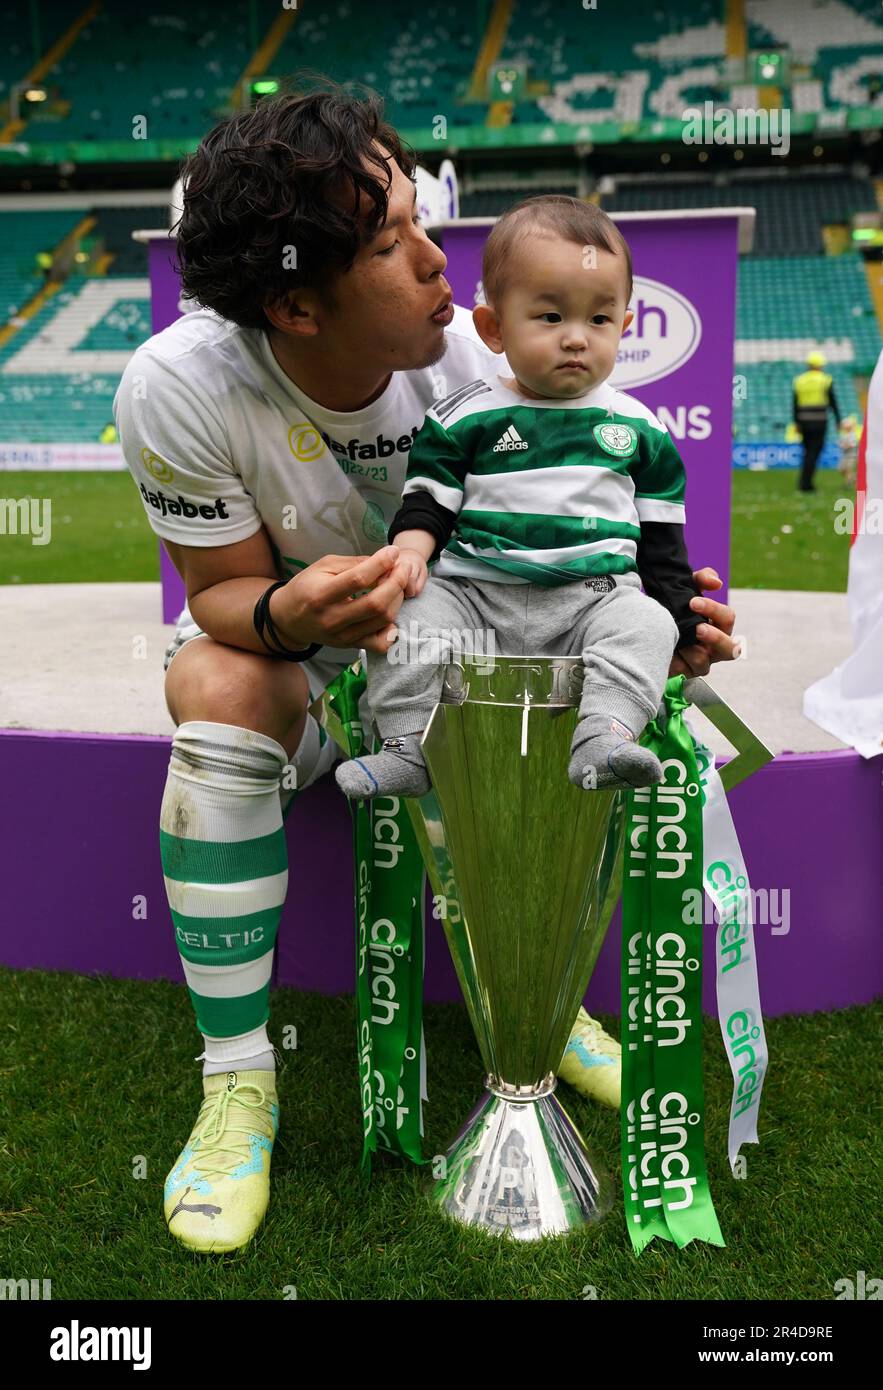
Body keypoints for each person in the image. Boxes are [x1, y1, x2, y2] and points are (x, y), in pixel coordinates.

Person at [113, 85, 739, 1256]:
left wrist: (668, 616)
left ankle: (534, 1000)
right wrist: (296, 613)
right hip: (324, 673)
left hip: (478, 667)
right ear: (297, 303)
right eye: (393, 242)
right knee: (216, 681)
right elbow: (217, 601)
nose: (438, 257)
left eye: (420, 214)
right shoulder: (177, 383)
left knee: (594, 656)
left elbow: (586, 548)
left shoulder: (480, 345)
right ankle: (240, 1080)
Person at [335, 199, 703, 803]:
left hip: (591, 601)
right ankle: (405, 747)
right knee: (410, 619)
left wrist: (683, 619)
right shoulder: (463, 414)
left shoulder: (641, 428)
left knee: (646, 622)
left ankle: (604, 738)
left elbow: (662, 541)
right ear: (494, 328)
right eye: (551, 316)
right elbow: (429, 501)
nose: (577, 339)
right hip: (475, 596)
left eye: (600, 320)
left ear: (625, 327)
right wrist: (408, 552)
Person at [793, 350, 841, 492]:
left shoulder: (799, 380)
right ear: (819, 365)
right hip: (819, 421)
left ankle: (804, 482)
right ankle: (806, 484)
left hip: (803, 422)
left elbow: (794, 404)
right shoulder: (825, 379)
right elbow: (833, 401)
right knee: (814, 451)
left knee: (808, 451)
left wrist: (796, 422)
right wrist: (838, 419)